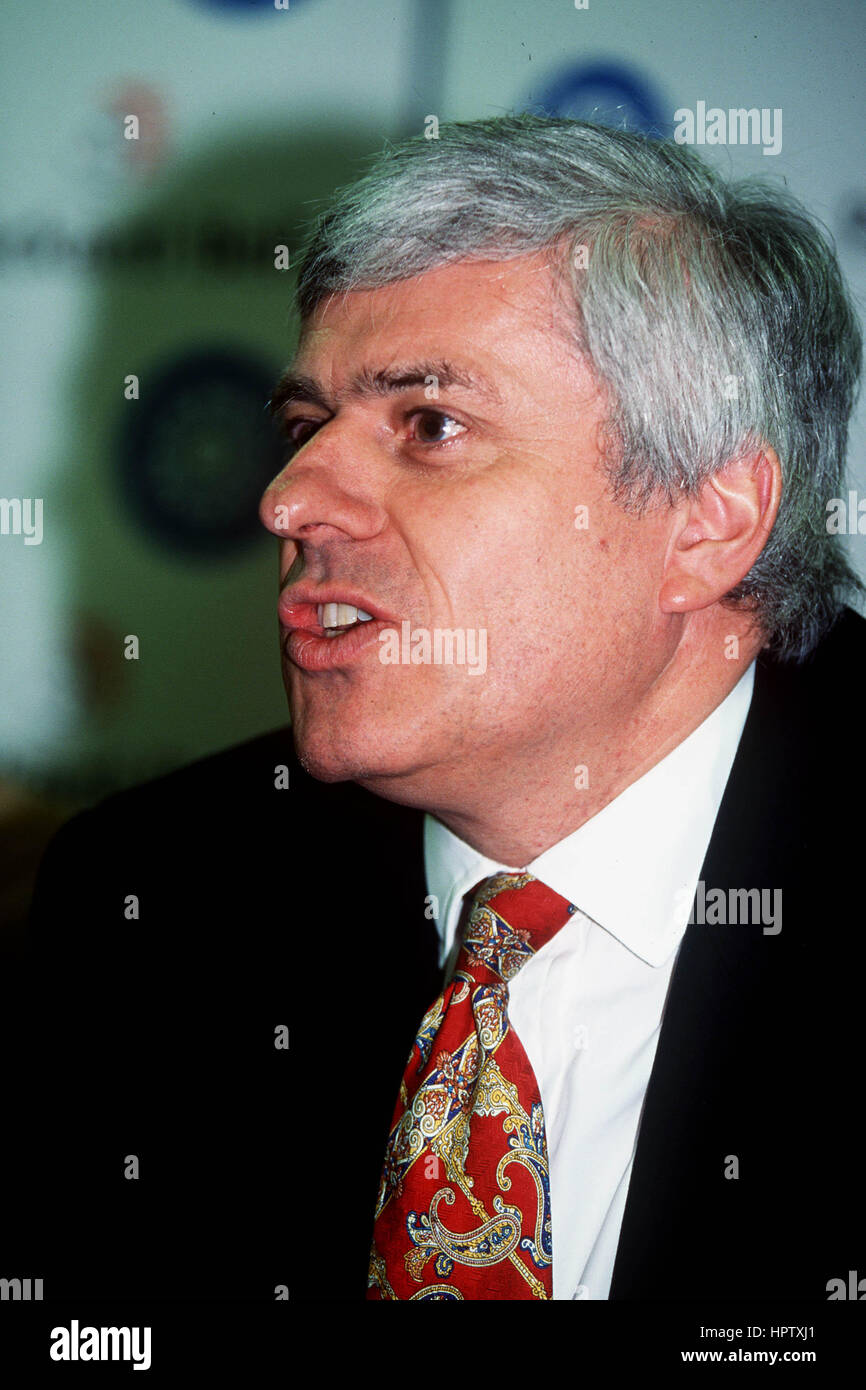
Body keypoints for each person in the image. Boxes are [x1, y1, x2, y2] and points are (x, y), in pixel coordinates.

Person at [21, 115, 866, 1302]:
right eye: (306, 427)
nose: (287, 499)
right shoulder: (154, 897)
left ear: (708, 518)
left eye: (429, 426)